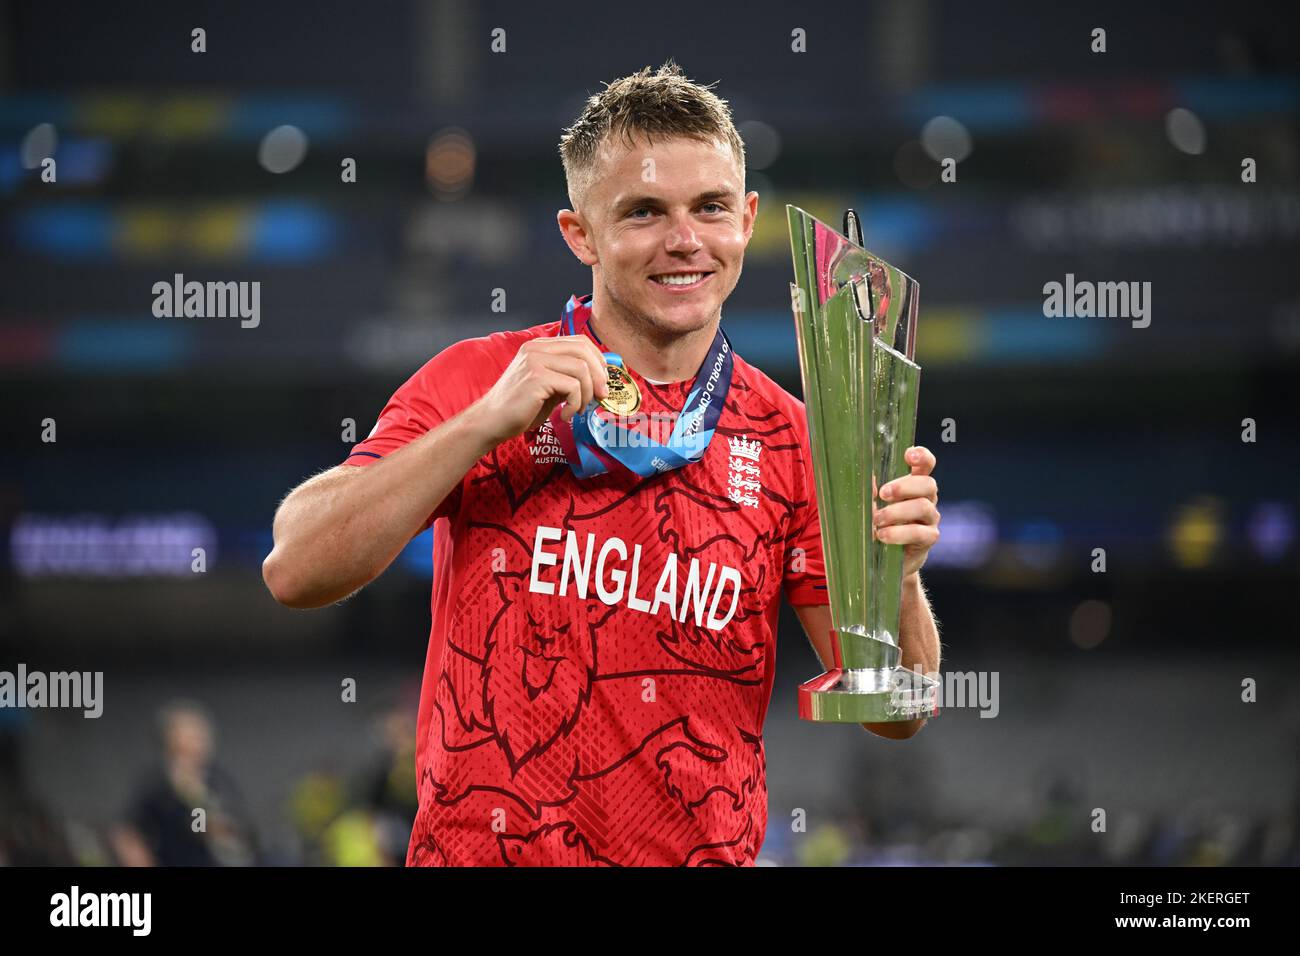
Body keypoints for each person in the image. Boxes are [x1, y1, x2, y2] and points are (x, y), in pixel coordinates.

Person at [263, 60, 943, 867]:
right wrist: (482, 427)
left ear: (749, 219)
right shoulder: (485, 380)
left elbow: (894, 713)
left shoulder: (795, 438)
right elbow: (295, 567)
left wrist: (895, 579)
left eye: (711, 208)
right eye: (644, 212)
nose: (684, 240)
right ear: (579, 232)